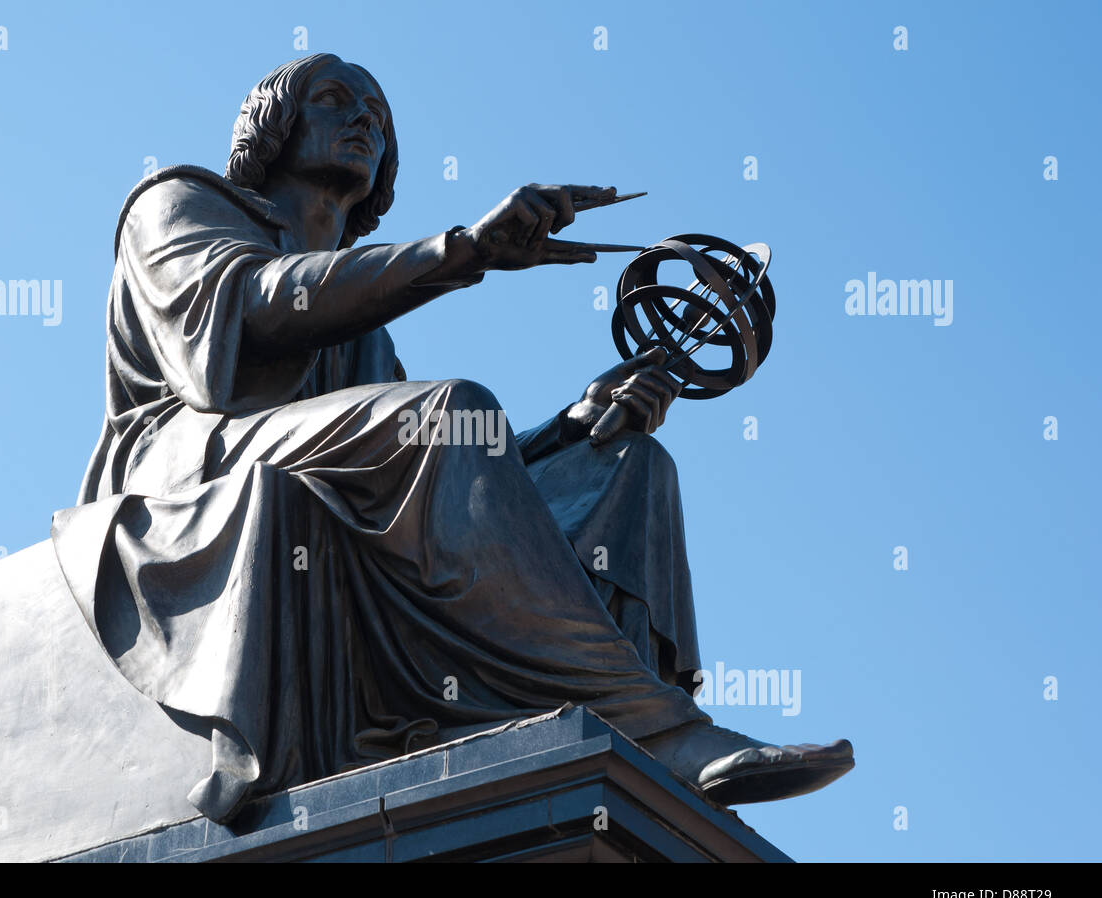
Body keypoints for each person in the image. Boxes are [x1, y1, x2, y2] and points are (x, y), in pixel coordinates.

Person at [51, 53, 853, 823]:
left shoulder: (360, 311)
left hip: (319, 466)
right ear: (271, 123)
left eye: (379, 118)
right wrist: (462, 252)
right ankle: (658, 728)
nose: (363, 120)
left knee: (625, 463)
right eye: (335, 99)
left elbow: (454, 458)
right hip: (184, 461)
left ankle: (585, 743)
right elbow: (261, 308)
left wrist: (571, 425)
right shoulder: (179, 202)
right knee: (442, 413)